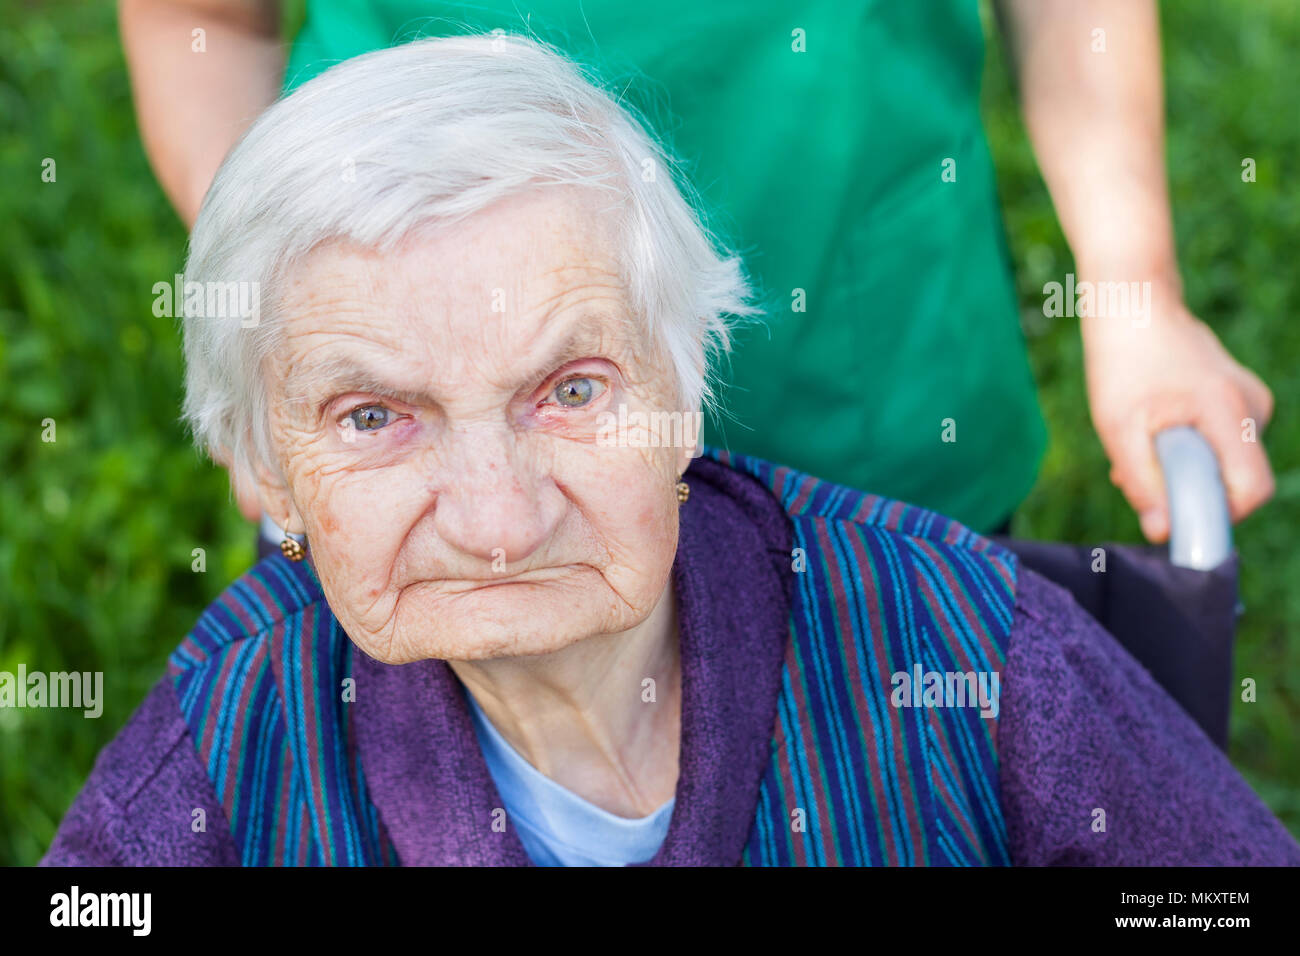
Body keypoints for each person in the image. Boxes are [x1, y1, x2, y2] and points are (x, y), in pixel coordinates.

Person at [44, 37, 1297, 866]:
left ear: (688, 390)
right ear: (262, 468)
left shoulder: (974, 658)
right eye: (373, 416)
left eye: (571, 389)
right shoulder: (224, 749)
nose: (497, 521)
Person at [119, 0, 1276, 539]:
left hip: (869, 386)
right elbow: (204, 18)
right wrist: (275, 316)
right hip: (429, 418)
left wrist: (1136, 289)